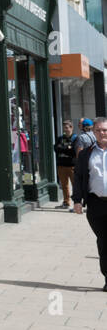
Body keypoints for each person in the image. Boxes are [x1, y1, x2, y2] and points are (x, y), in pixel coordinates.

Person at [71, 116, 107, 291]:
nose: (102, 133)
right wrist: (77, 200)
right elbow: (78, 177)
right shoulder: (86, 154)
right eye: (98, 130)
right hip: (96, 203)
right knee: (104, 241)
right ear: (93, 132)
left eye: (105, 130)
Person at [55, 120, 78, 209]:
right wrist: (67, 148)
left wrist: (63, 148)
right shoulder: (60, 138)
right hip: (61, 165)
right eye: (64, 128)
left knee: (75, 185)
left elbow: (73, 151)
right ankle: (66, 202)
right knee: (64, 186)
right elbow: (56, 149)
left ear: (71, 128)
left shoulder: (76, 138)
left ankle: (77, 203)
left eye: (67, 127)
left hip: (72, 166)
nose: (65, 130)